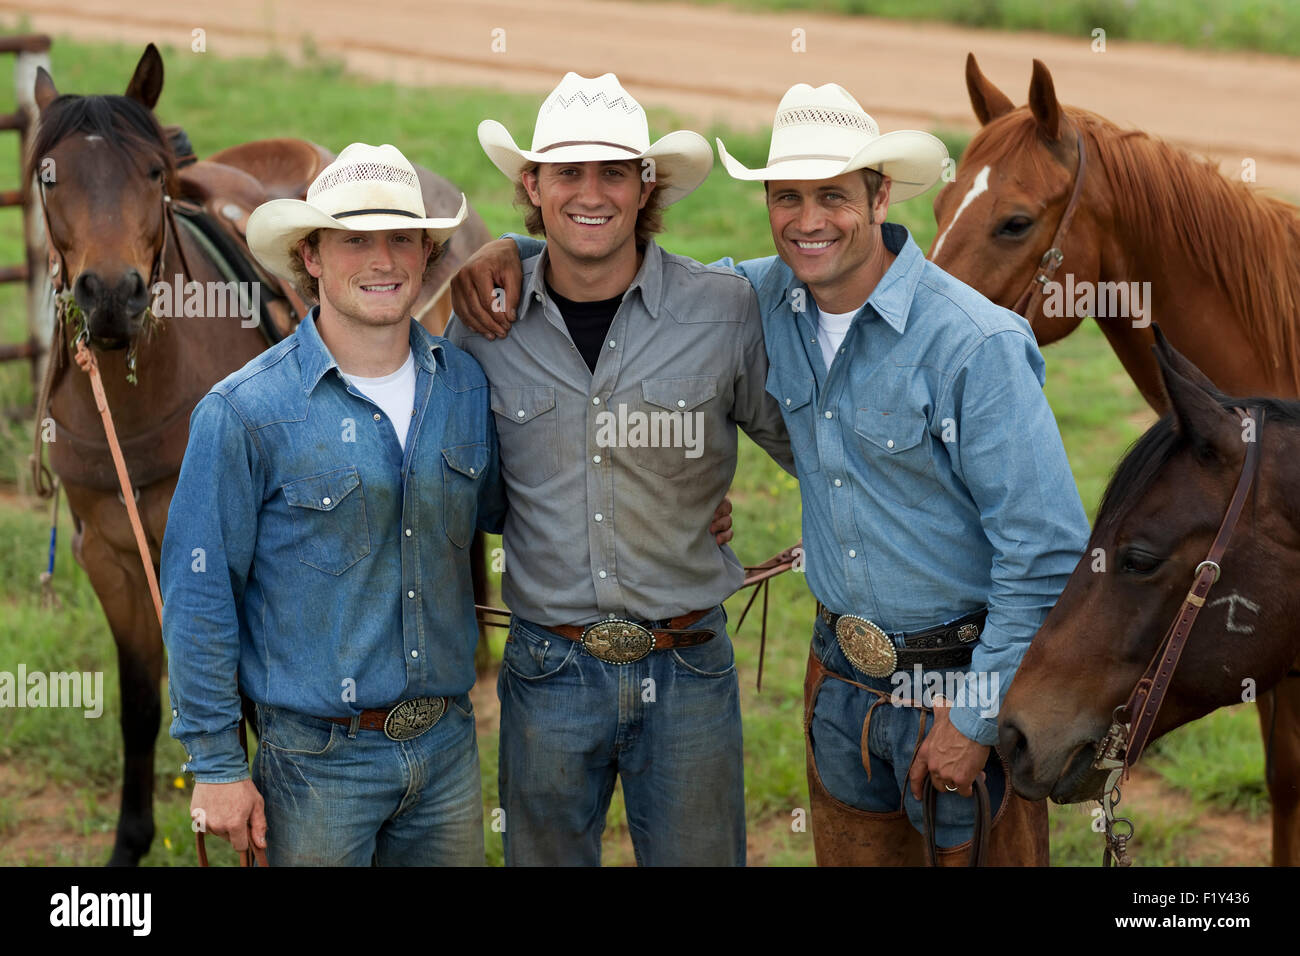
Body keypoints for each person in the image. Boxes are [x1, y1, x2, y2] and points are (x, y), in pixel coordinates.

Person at [452, 83, 1091, 865]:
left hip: (955, 686)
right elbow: (603, 265)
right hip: (838, 687)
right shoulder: (758, 298)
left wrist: (976, 716)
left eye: (832, 195)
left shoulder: (969, 343)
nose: (809, 220)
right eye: (786, 197)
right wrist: (509, 254)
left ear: (881, 193)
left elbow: (1049, 555)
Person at [442, 72, 794, 867]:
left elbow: (810, 448)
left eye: (613, 172)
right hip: (548, 667)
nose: (590, 193)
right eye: (567, 172)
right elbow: (472, 496)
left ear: (647, 185)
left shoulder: (724, 311)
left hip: (687, 665)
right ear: (532, 185)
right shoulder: (483, 328)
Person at [161, 143, 505, 866]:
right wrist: (219, 763)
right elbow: (199, 594)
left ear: (426, 252)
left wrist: (679, 506)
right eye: (355, 240)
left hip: (445, 748)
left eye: (401, 237)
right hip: (317, 763)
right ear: (311, 256)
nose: (382, 260)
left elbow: (522, 510)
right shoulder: (244, 412)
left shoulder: (467, 389)